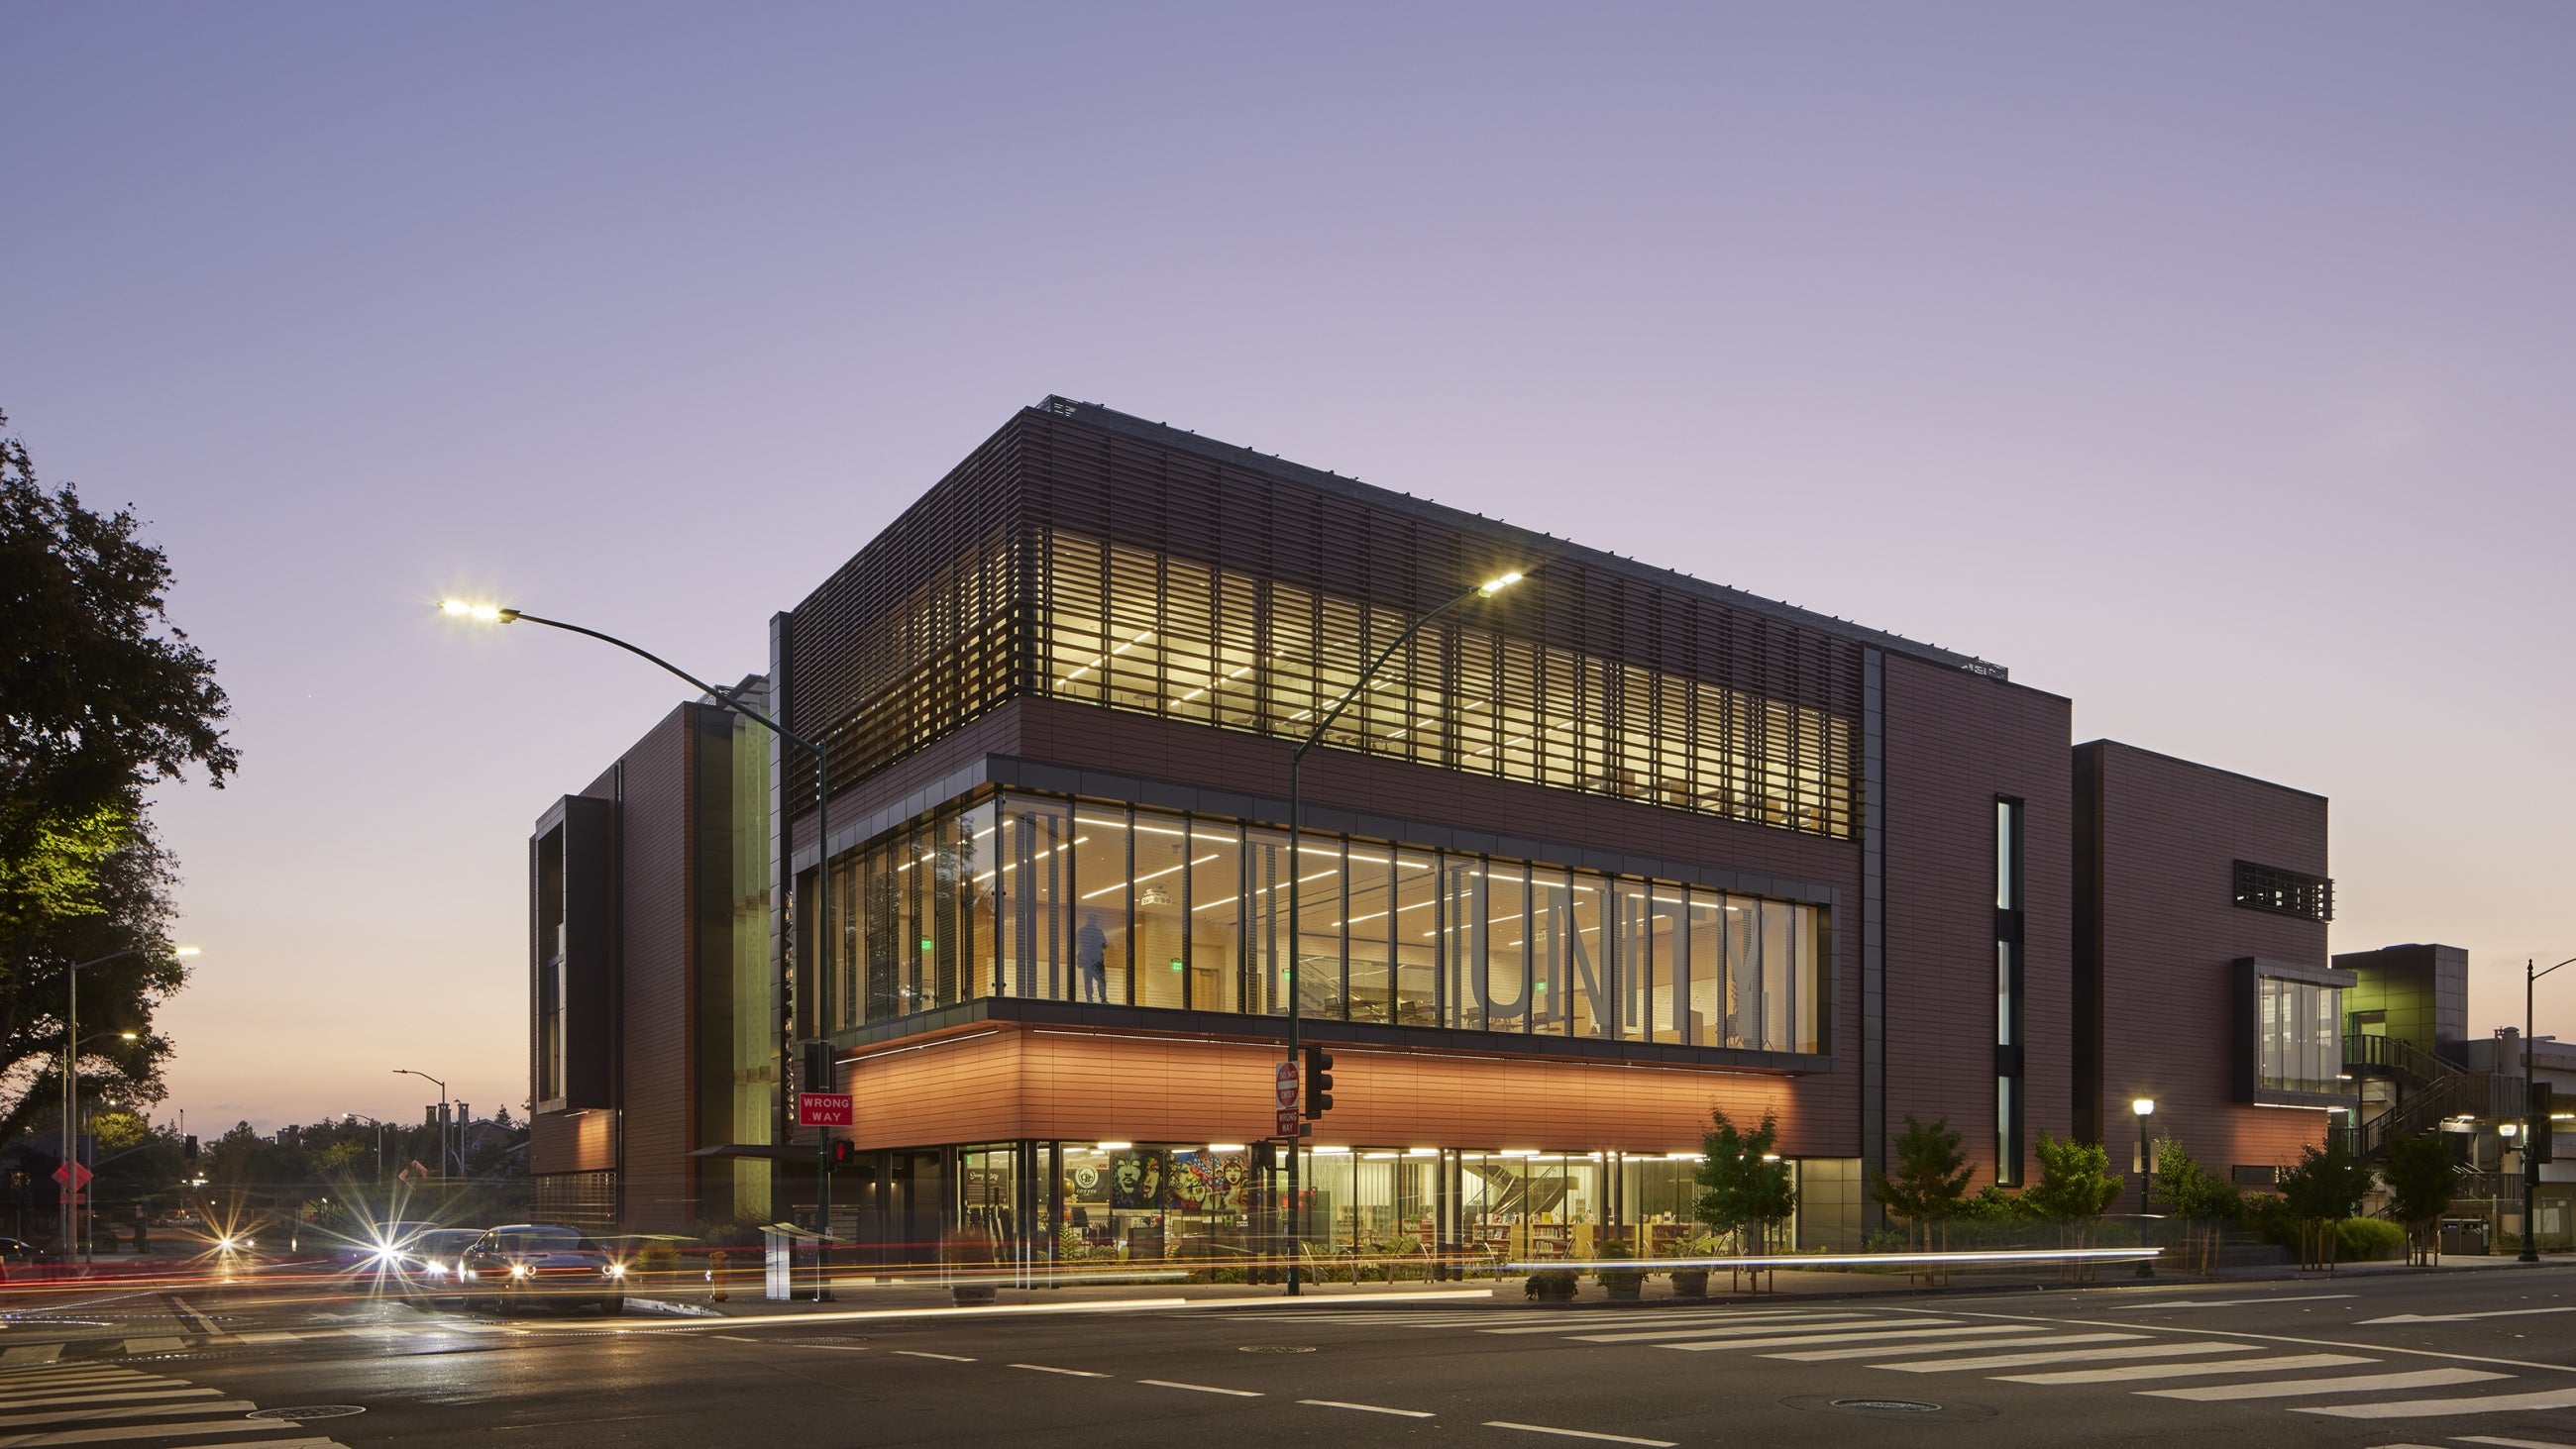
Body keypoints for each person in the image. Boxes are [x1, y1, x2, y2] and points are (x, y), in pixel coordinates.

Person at [1076, 912, 1110, 1003]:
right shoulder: (1097, 932)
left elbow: (1079, 945)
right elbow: (1105, 945)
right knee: (1097, 980)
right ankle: (1100, 999)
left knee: (1090, 981)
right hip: (1094, 960)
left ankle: (1092, 999)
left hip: (1092, 960)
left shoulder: (1084, 931)